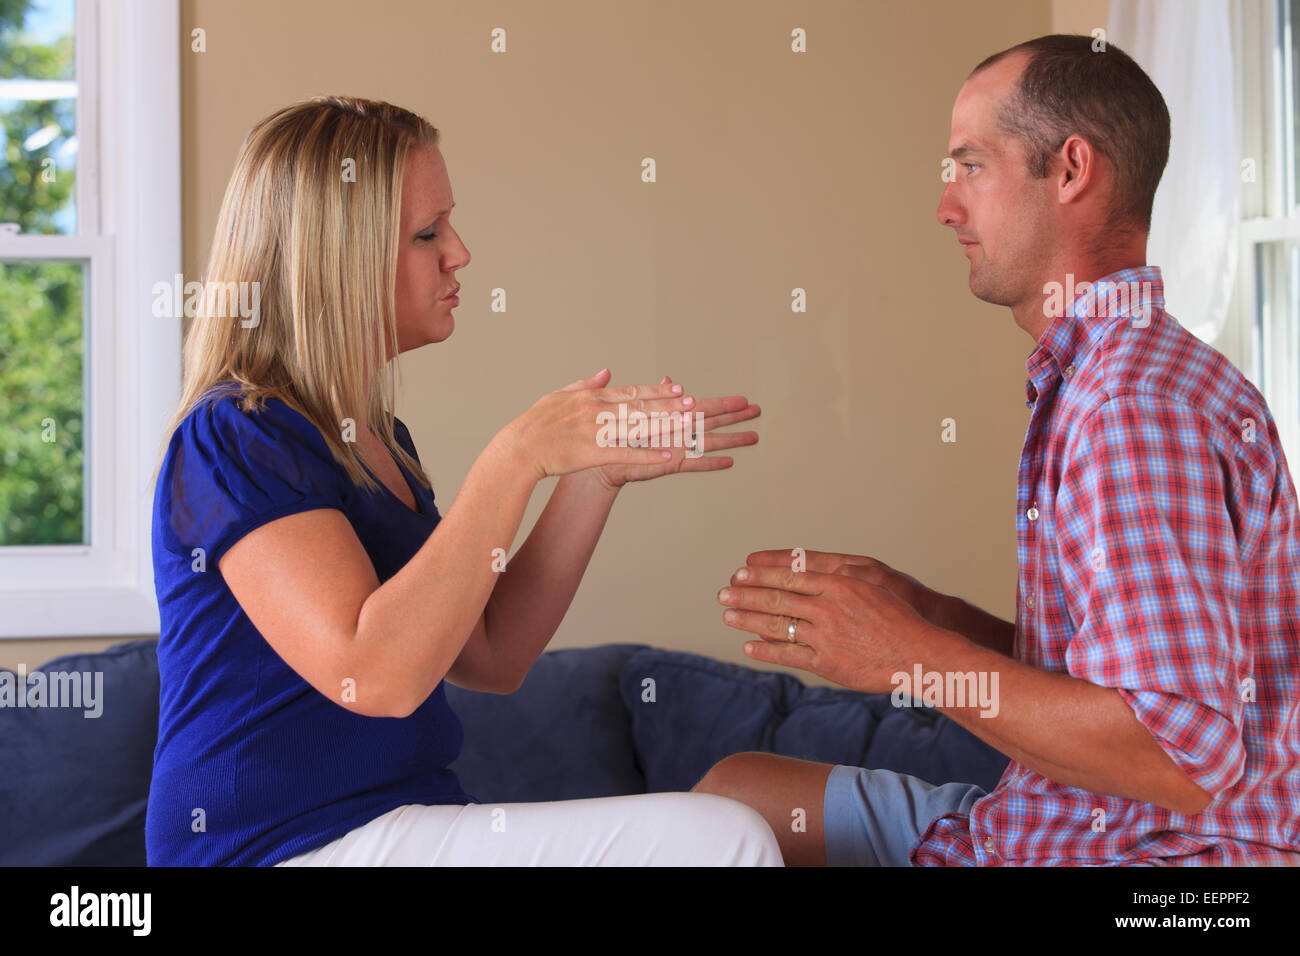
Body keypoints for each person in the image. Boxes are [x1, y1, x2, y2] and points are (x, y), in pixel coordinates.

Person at [693, 34, 1300, 866]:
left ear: (1071, 170)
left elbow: (1177, 753)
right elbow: (1113, 679)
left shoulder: (1129, 409)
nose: (946, 206)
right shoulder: (1109, 377)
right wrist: (927, 615)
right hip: (1048, 820)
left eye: (971, 166)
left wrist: (908, 656)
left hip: (1152, 863)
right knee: (733, 800)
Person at [146, 95, 781, 866]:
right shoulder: (235, 436)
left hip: (399, 824)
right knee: (724, 838)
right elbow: (370, 677)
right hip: (277, 848)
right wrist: (515, 458)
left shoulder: (378, 444)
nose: (460, 253)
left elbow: (492, 654)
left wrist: (590, 478)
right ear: (336, 258)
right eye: (426, 234)